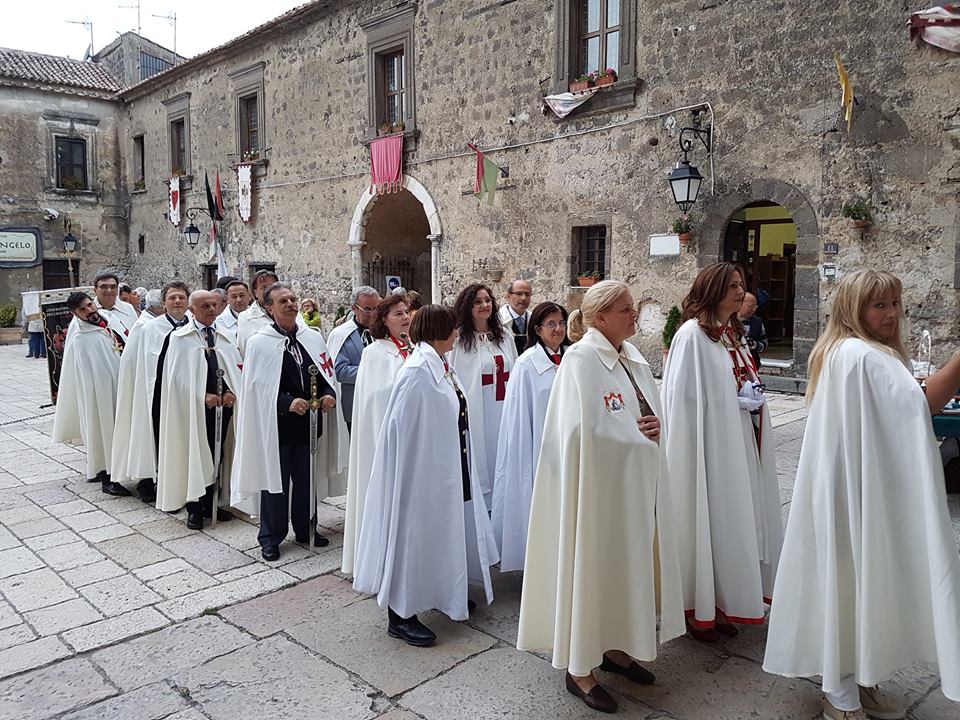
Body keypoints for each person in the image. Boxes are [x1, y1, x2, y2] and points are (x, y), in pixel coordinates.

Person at [763, 270, 960, 720]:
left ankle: (861, 679)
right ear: (855, 308)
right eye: (879, 305)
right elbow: (921, 403)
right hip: (850, 497)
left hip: (854, 491)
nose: (891, 314)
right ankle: (841, 693)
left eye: (895, 303)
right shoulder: (858, 354)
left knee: (859, 586)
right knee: (849, 587)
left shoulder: (855, 351)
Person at [517, 281, 684, 713]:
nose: (635, 315)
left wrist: (654, 427)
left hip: (631, 492)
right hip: (596, 496)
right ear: (601, 317)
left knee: (625, 570)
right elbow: (574, 434)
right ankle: (580, 670)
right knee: (592, 570)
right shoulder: (580, 360)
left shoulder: (632, 356)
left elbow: (648, 410)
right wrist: (635, 434)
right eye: (627, 309)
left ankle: (615, 648)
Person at [353, 305, 498, 647]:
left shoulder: (441, 364)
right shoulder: (417, 370)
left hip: (447, 469)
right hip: (420, 476)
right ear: (437, 331)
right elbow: (401, 429)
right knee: (414, 539)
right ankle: (400, 616)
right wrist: (413, 477)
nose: (458, 333)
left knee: (444, 535)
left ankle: (448, 593)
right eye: (452, 328)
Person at [661, 262, 782, 642]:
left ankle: (727, 601)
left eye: (741, 284)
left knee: (733, 522)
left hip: (739, 443)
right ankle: (702, 610)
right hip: (706, 450)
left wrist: (747, 398)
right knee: (708, 522)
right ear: (712, 289)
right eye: (731, 285)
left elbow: (742, 377)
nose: (738, 291)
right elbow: (681, 401)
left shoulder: (732, 334)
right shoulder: (691, 337)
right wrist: (730, 403)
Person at [230, 282, 348, 561]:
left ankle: (307, 528)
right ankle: (271, 536)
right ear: (269, 308)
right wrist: (286, 402)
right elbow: (258, 388)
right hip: (277, 428)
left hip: (309, 426)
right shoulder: (260, 342)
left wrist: (329, 394)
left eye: (293, 299)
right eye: (283, 301)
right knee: (276, 484)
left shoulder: (312, 337)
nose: (291, 304)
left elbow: (324, 372)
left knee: (307, 482)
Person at [491, 301, 569, 573]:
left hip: (568, 448)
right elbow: (518, 417)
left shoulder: (572, 359)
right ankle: (539, 564)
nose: (558, 329)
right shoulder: (526, 365)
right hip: (538, 448)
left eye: (561, 323)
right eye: (551, 324)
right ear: (537, 329)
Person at [157, 290, 241, 529]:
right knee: (195, 452)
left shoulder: (224, 335)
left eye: (214, 305)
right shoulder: (180, 338)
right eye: (206, 306)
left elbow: (232, 368)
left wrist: (231, 391)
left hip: (222, 407)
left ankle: (212, 502)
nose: (212, 310)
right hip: (193, 409)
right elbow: (176, 378)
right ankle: (194, 507)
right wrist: (201, 395)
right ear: (191, 310)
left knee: (219, 453)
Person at [341, 294, 412, 576]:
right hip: (382, 435)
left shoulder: (414, 348)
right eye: (398, 314)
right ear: (384, 320)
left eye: (406, 312)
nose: (405, 317)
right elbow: (374, 398)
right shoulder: (375, 353)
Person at [111, 282, 190, 503]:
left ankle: (177, 480)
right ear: (164, 303)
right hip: (154, 393)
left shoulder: (192, 326)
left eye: (181, 298)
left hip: (182, 394)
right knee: (154, 435)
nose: (177, 302)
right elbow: (133, 363)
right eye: (172, 298)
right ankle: (147, 480)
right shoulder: (147, 329)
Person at [52, 292, 131, 496]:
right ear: (75, 313)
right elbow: (87, 371)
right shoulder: (81, 337)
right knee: (103, 430)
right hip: (100, 394)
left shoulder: (104, 320)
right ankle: (107, 477)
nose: (89, 311)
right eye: (82, 310)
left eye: (89, 305)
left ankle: (118, 469)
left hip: (117, 385)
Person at [449, 283, 517, 505]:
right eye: (477, 301)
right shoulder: (458, 342)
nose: (484, 305)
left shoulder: (505, 337)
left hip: (504, 409)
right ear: (467, 306)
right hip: (477, 414)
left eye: (487, 300)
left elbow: (514, 372)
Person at [330, 286, 381, 431]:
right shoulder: (341, 334)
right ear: (354, 308)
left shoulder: (381, 332)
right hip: (354, 405)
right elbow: (339, 371)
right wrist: (372, 372)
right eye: (367, 309)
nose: (372, 314)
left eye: (376, 308)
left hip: (379, 403)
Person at [236, 269, 280, 355]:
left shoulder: (290, 311)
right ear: (254, 292)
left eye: (273, 287)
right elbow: (245, 351)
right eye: (264, 288)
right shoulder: (246, 317)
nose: (269, 291)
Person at [498, 279, 533, 355]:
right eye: (519, 294)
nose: (523, 298)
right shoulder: (498, 320)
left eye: (527, 294)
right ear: (508, 296)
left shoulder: (534, 319)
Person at [738, 292, 768, 369]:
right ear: (740, 304)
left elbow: (764, 343)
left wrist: (754, 345)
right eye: (751, 306)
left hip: (752, 363)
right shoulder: (728, 320)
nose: (753, 310)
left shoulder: (757, 322)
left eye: (755, 307)